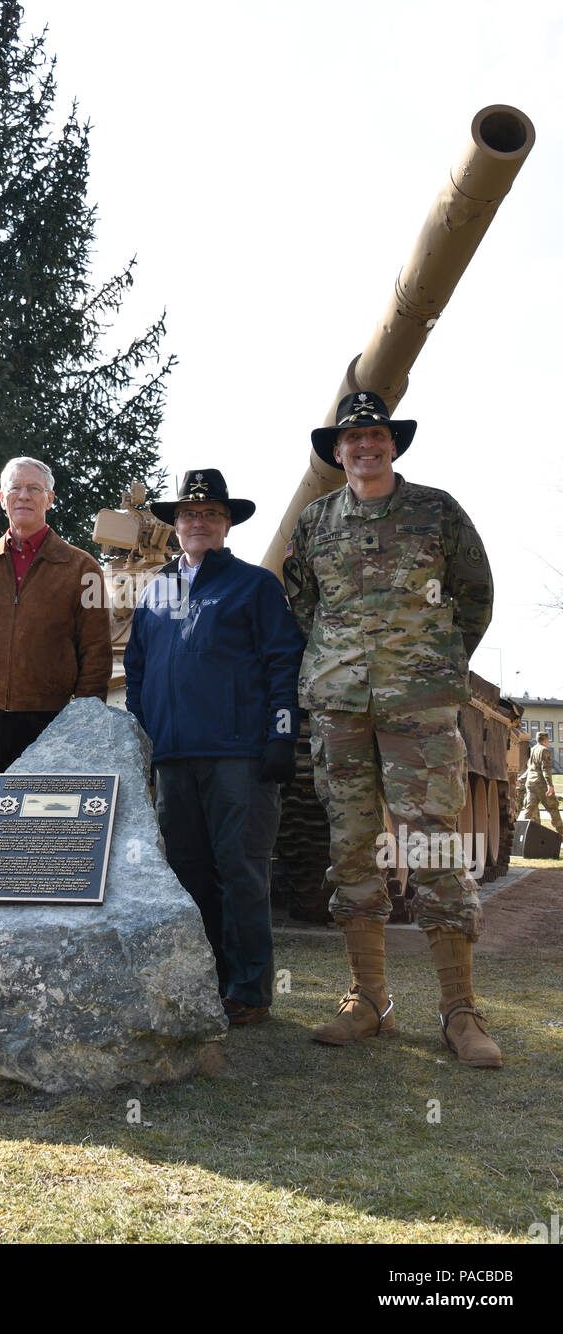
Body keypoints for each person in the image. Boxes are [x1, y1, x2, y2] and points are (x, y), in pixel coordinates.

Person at [283, 390, 501, 1066]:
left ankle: (460, 1011)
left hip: (420, 710)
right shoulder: (315, 522)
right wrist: (338, 666)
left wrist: (435, 663)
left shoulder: (437, 511)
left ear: (393, 444)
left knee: (434, 849)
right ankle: (369, 1000)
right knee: (351, 848)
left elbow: (476, 595)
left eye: (376, 435)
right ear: (338, 451)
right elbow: (303, 604)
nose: (365, 445)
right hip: (341, 709)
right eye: (353, 438)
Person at [124, 469, 305, 1027]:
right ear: (175, 525)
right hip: (173, 760)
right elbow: (137, 673)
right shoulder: (154, 591)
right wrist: (141, 740)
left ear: (227, 524)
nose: (198, 522)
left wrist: (281, 735)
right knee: (187, 875)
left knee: (241, 872)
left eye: (210, 514)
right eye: (188, 514)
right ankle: (202, 984)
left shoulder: (255, 586)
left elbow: (283, 663)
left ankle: (248, 989)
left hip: (238, 757)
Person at [0, 456, 112, 802]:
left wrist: (83, 724)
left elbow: (96, 653)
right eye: (15, 488)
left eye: (34, 489)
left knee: (37, 826)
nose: (24, 496)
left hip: (47, 721)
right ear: (2, 499)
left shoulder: (81, 568)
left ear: (50, 498)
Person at [520, 732, 563, 834]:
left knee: (529, 810)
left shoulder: (533, 749)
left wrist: (521, 779)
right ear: (545, 740)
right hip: (541, 784)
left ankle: (521, 833)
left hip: (530, 783)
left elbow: (530, 768)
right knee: (553, 808)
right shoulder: (544, 750)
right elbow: (546, 769)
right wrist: (550, 785)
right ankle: (561, 832)